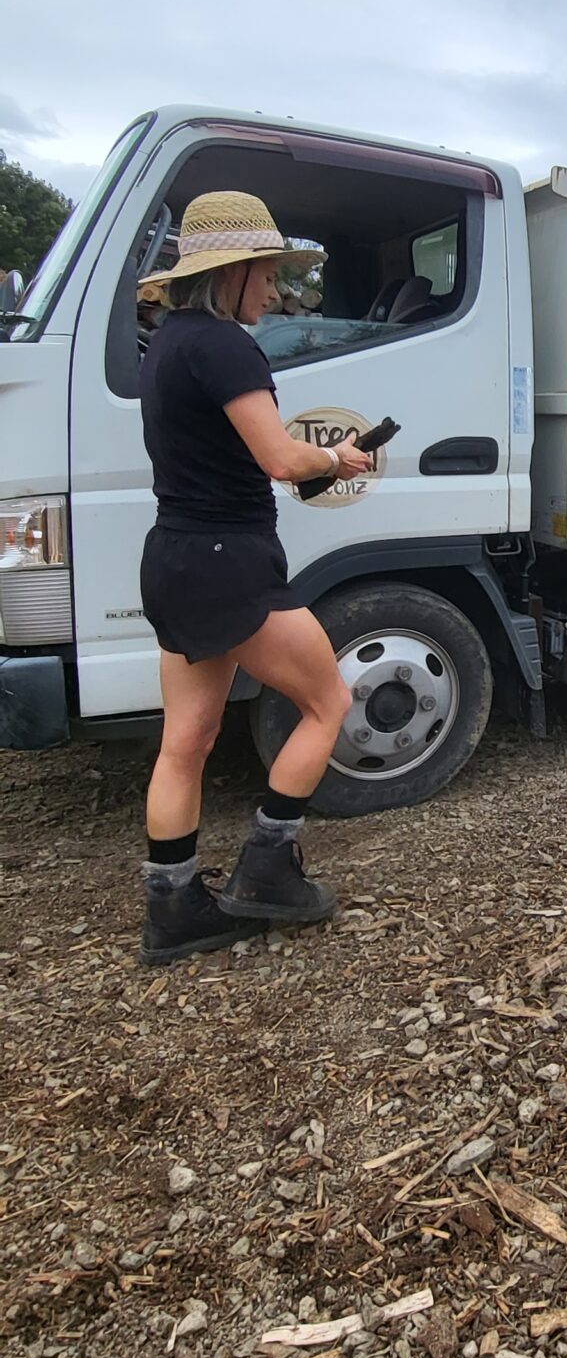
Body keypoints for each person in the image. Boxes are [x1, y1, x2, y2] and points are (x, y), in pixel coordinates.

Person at [135, 190, 373, 966]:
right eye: (266, 274)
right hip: (228, 564)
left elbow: (233, 454)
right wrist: (336, 457)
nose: (275, 292)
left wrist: (307, 462)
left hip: (173, 556)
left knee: (187, 741)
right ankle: (269, 871)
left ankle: (173, 911)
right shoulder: (229, 348)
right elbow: (280, 458)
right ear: (230, 273)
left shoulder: (168, 342)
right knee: (328, 700)